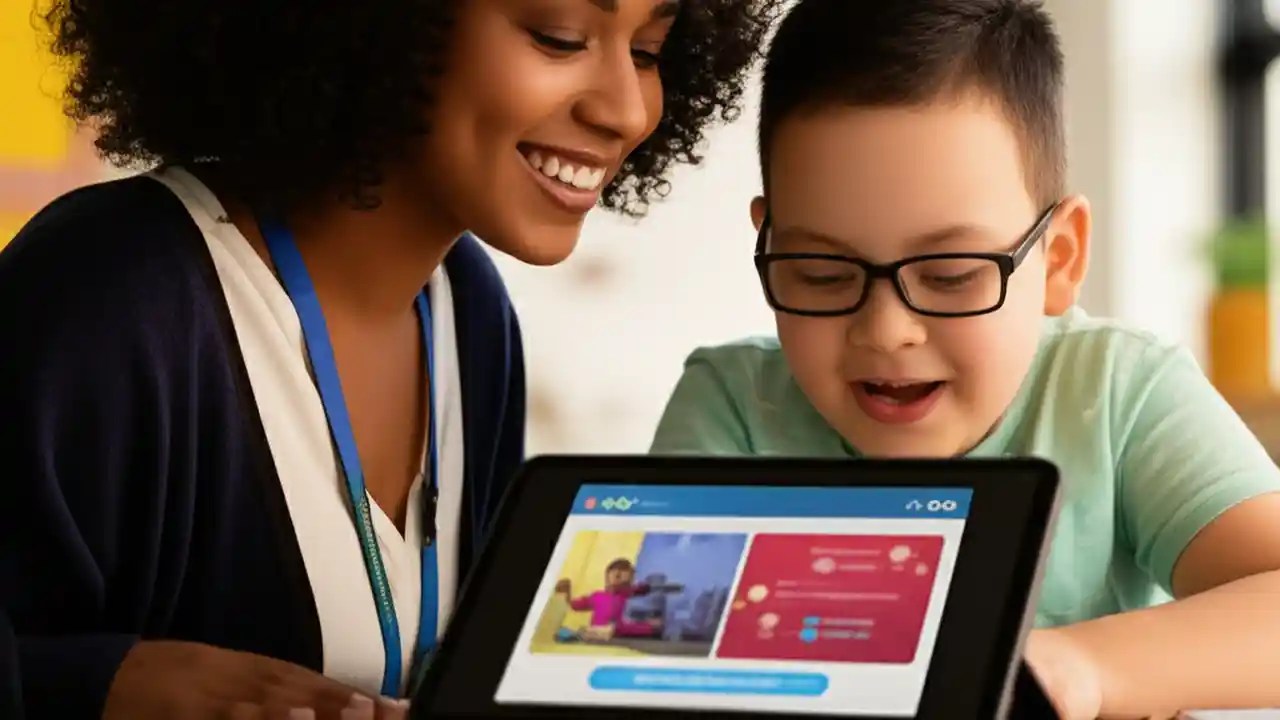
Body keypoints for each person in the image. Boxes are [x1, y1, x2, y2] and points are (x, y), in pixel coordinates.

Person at [0, 0, 779, 718]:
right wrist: (107, 685)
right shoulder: (108, 294)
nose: (627, 108)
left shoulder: (467, 310)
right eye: (560, 36)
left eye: (648, 50)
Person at [649, 1, 1280, 717]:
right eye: (822, 272)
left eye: (951, 274)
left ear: (1060, 257)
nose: (886, 331)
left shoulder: (1117, 392)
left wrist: (1075, 668)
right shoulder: (732, 405)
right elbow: (653, 658)